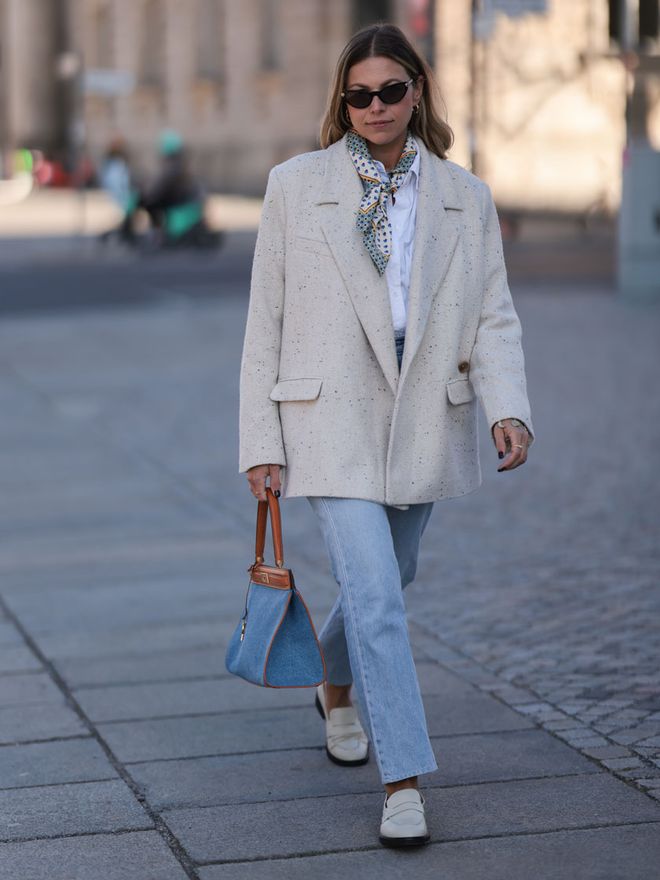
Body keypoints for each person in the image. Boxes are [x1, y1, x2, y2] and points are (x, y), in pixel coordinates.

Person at [238, 23, 534, 848]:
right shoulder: (296, 186)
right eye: (359, 94)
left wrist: (509, 406)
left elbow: (492, 314)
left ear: (418, 92)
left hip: (424, 415)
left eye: (391, 91)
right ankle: (403, 781)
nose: (375, 107)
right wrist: (260, 440)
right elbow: (266, 321)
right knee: (376, 598)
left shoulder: (464, 196)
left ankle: (332, 680)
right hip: (326, 418)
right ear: (343, 100)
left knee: (392, 574)